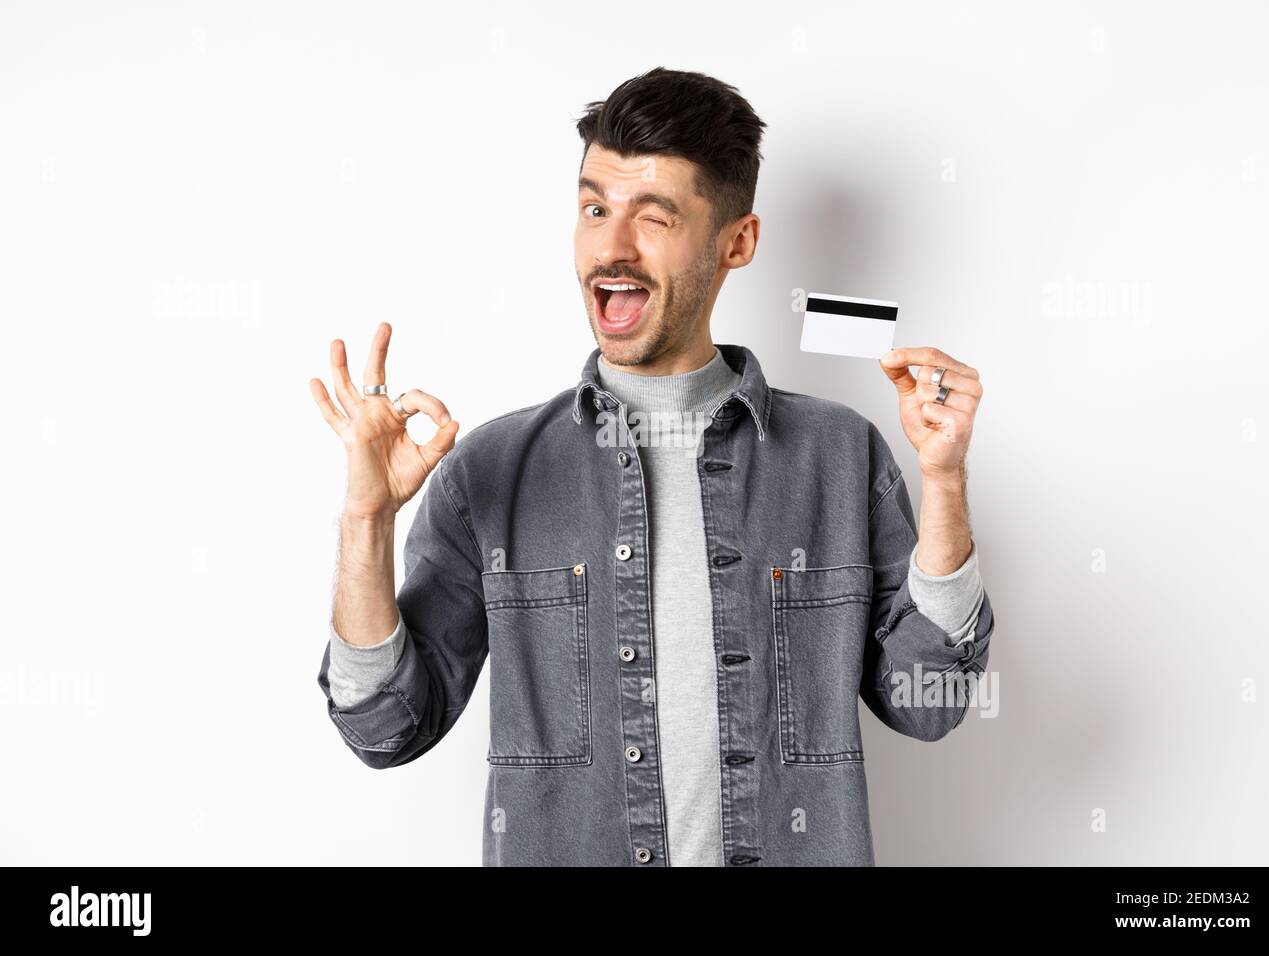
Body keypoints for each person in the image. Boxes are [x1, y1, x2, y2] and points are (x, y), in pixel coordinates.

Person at [308, 67, 993, 866]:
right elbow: (386, 730)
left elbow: (929, 703)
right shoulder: (491, 473)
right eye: (595, 209)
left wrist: (944, 481)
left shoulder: (838, 456)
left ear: (737, 242)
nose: (612, 247)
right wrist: (366, 520)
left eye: (654, 216)